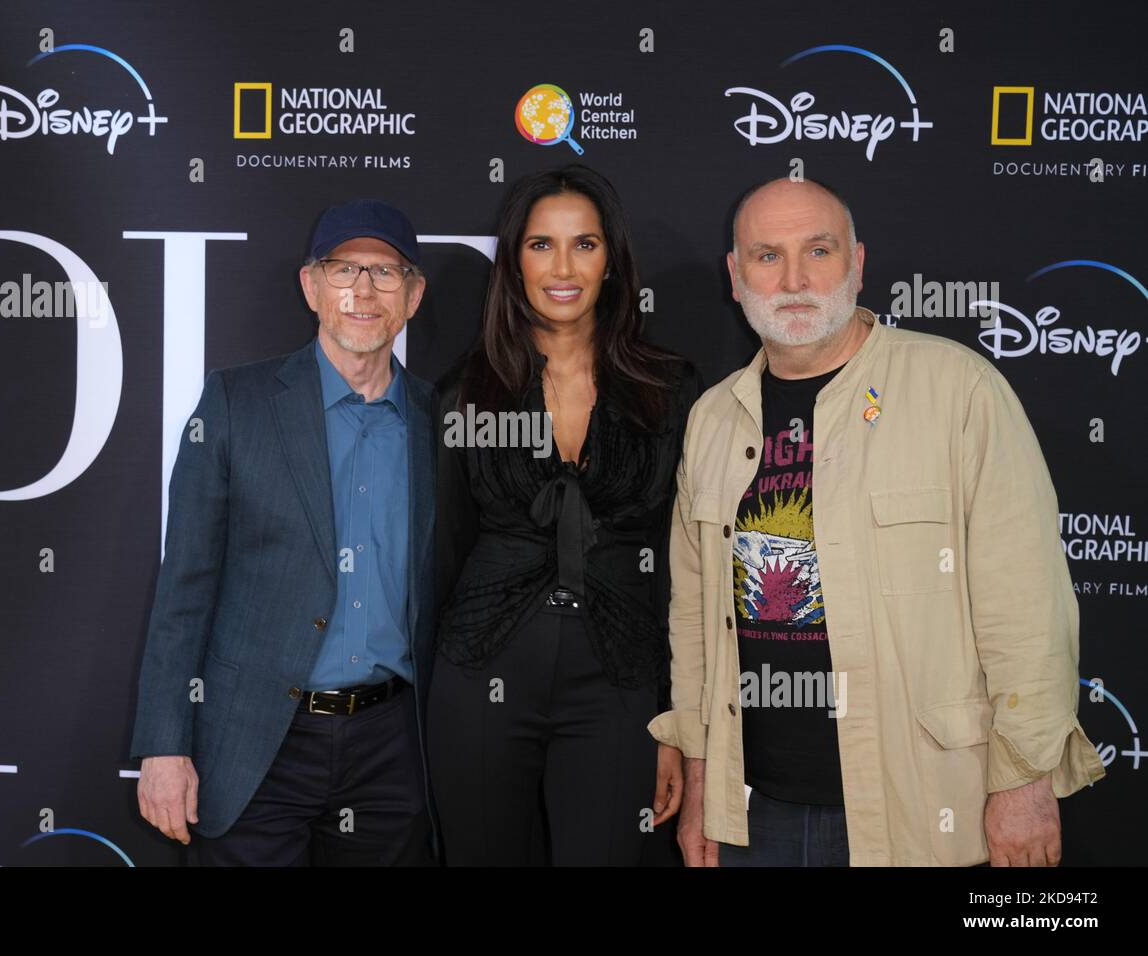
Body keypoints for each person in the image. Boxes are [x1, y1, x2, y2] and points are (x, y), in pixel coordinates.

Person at [653, 177, 1106, 867]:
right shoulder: (713, 418)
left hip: (924, 806)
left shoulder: (959, 390)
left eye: (819, 250)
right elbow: (693, 616)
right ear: (736, 275)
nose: (795, 278)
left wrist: (1024, 781)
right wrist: (701, 771)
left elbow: (1028, 605)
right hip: (752, 809)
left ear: (858, 263)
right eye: (767, 256)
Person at [129, 199, 438, 866]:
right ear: (311, 286)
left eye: (386, 273)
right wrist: (164, 744)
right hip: (254, 741)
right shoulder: (236, 404)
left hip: (392, 751)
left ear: (412, 296)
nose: (362, 290)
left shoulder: (438, 421)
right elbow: (185, 585)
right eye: (342, 269)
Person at [428, 164, 702, 865]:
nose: (563, 266)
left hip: (618, 683)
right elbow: (446, 552)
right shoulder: (466, 393)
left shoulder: (668, 390)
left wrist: (675, 723)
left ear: (612, 260)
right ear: (513, 260)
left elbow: (683, 570)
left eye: (584, 244)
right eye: (540, 245)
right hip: (484, 673)